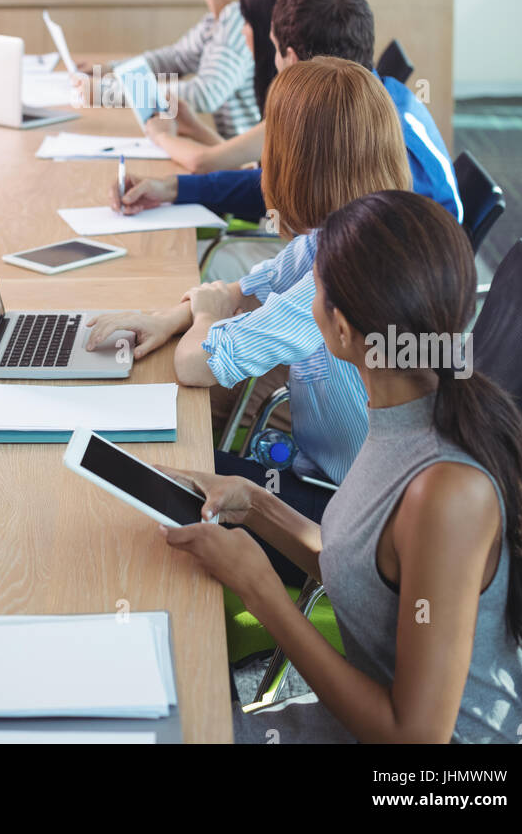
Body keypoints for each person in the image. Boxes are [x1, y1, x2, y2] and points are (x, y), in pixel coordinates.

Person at [158, 191, 522, 744]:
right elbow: (368, 571)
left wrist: (259, 589)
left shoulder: (446, 490)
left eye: (312, 288)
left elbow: (415, 740)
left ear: (340, 329)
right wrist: (258, 504)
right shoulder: (404, 408)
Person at [87, 58, 413, 585]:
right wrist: (171, 317)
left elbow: (196, 364)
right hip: (342, 483)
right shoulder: (347, 232)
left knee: (149, 483)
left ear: (292, 162)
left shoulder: (339, 275)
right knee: (160, 458)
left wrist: (204, 319)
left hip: (347, 521)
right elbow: (241, 289)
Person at [114, 0, 463, 242]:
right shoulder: (373, 99)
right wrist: (172, 189)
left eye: (276, 51)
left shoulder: (353, 137)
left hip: (396, 304)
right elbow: (273, 187)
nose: (273, 63)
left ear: (293, 59)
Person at [76, 0, 260, 139]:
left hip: (239, 160)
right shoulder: (218, 20)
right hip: (222, 147)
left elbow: (205, 94)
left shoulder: (237, 22)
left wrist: (108, 92)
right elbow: (174, 58)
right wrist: (108, 71)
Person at [143, 0, 310, 173]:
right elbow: (251, 168)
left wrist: (162, 137)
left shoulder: (297, 105)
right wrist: (195, 128)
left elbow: (202, 162)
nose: (242, 31)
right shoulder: (289, 90)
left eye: (248, 23)